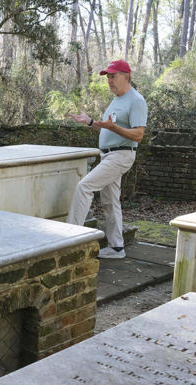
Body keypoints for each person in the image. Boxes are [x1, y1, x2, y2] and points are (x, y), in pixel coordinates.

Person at [67, 59, 147, 259]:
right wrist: (91, 122)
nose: (110, 80)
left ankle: (67, 240)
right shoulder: (116, 100)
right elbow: (107, 127)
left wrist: (114, 128)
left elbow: (138, 135)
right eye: (108, 77)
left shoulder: (136, 100)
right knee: (110, 202)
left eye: (113, 76)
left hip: (121, 155)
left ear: (126, 76)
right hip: (108, 155)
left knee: (84, 187)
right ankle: (117, 247)